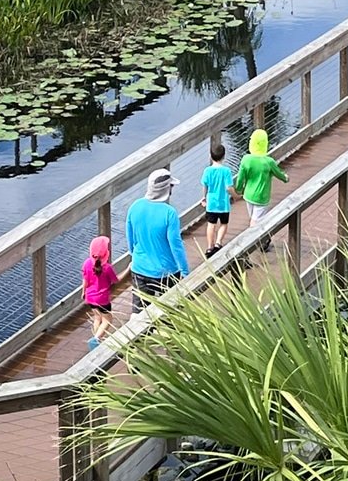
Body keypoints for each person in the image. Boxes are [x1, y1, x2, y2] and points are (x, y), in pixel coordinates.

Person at [126, 168, 189, 314]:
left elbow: (130, 239)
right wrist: (185, 271)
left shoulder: (134, 207)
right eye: (171, 186)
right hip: (166, 272)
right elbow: (176, 245)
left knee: (139, 314)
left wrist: (135, 256)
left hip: (139, 268)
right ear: (166, 189)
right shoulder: (169, 213)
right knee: (171, 313)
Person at [232, 129, 288, 248]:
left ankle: (262, 240)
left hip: (248, 195)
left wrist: (238, 190)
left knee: (254, 219)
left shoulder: (246, 160)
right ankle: (255, 242)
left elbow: (241, 178)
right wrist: (285, 178)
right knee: (256, 221)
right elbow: (279, 174)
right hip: (262, 197)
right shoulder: (269, 162)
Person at [81, 235, 119, 351]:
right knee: (108, 319)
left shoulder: (87, 263)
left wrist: (83, 293)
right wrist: (128, 269)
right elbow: (116, 280)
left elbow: (85, 280)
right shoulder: (107, 268)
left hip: (90, 297)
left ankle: (95, 340)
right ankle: (96, 339)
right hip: (102, 299)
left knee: (97, 318)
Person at [201, 144, 234, 256]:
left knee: (211, 224)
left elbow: (205, 186)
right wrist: (236, 195)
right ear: (224, 156)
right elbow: (228, 188)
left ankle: (210, 247)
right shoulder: (226, 171)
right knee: (224, 223)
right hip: (223, 203)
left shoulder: (207, 171)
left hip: (211, 203)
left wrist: (204, 198)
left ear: (211, 156)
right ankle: (218, 243)